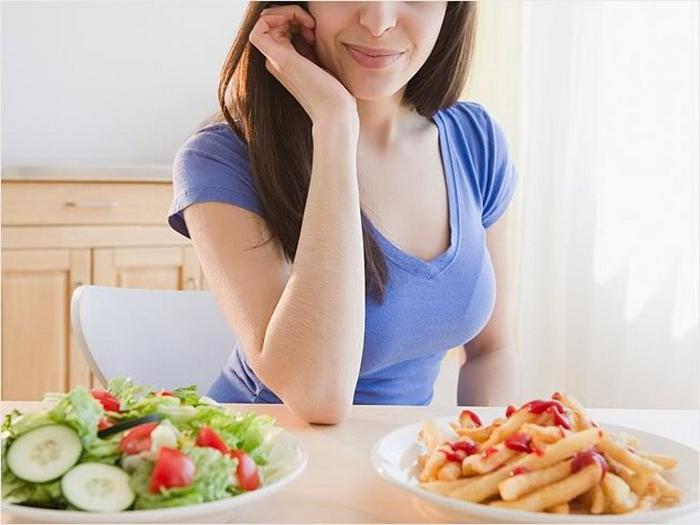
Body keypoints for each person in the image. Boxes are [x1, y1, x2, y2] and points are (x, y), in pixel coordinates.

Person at [168, 1, 520, 424]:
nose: (378, 22)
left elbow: (490, 351)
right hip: (265, 464)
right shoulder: (223, 158)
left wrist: (486, 460)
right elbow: (318, 395)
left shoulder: (474, 139)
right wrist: (334, 123)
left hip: (397, 465)